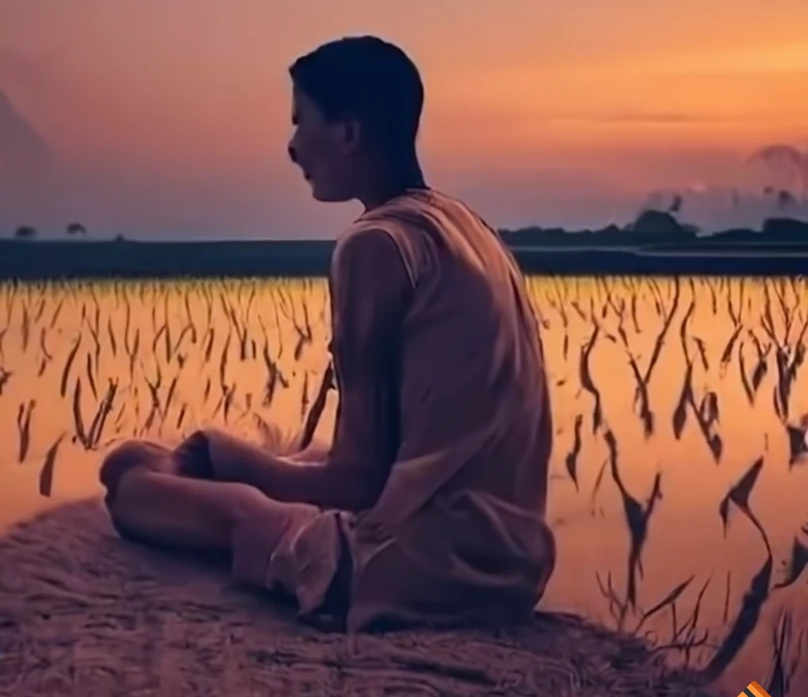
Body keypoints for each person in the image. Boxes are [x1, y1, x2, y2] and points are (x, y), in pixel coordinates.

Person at [100, 36, 556, 631]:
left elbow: (359, 482)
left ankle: (233, 499)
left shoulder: (375, 245)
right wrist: (237, 458)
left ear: (348, 133)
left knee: (130, 481)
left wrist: (246, 471)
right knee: (215, 461)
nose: (291, 146)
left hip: (430, 565)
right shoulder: (466, 225)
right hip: (513, 551)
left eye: (300, 122)